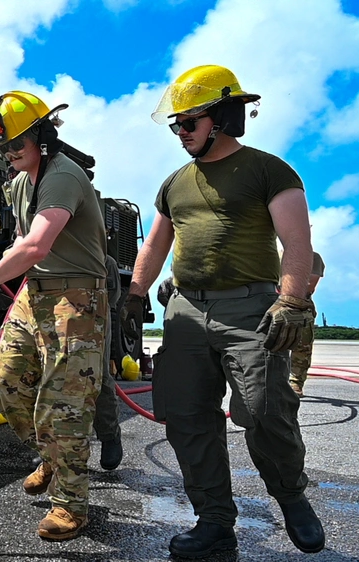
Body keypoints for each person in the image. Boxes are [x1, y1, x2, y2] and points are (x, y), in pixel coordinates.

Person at [121, 65, 324, 558]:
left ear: (223, 117)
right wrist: (133, 293)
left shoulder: (268, 170)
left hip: (252, 308)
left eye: (189, 122)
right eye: (176, 125)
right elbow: (156, 243)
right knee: (187, 418)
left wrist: (292, 300)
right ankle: (214, 522)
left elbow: (296, 240)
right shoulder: (174, 183)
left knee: (263, 410)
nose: (181, 133)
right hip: (186, 311)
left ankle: (291, 496)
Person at [0, 91, 108, 541]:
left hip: (76, 300)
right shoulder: (18, 182)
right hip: (32, 293)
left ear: (42, 135)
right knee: (4, 385)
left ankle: (70, 506)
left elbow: (38, 245)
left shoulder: (62, 177)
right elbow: (22, 243)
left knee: (65, 405)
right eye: (3, 148)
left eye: (17, 144)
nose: (10, 153)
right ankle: (51, 457)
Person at [96, 255, 123, 470]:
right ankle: (55, 450)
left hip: (93, 317)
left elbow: (111, 305)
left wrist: (114, 352)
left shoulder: (105, 262)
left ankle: (109, 436)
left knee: (98, 378)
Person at [289, 251, 325, 396]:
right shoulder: (270, 254)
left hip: (300, 304)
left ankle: (295, 383)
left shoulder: (313, 257)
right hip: (269, 302)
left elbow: (309, 285)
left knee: (302, 346)